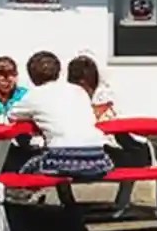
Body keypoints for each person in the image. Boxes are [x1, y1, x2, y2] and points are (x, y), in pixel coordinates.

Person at [9, 51, 114, 179]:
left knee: (25, 168)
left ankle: (21, 195)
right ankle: (66, 198)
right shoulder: (78, 90)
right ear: (58, 72)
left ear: (32, 76)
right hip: (97, 157)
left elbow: (12, 115)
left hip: (62, 157)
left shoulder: (34, 95)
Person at [67, 53, 151, 168]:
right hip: (90, 150)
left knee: (139, 151)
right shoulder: (69, 99)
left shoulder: (107, 95)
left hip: (107, 146)